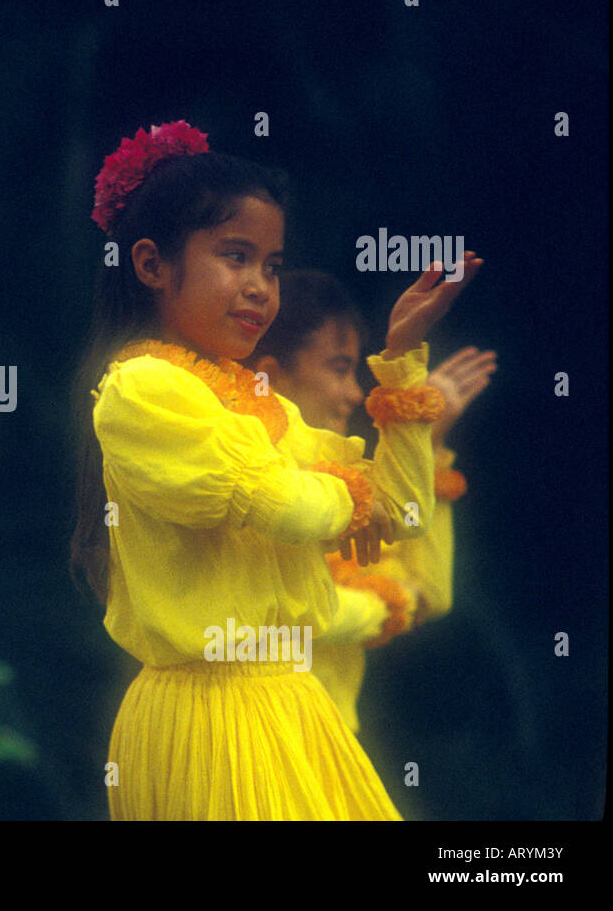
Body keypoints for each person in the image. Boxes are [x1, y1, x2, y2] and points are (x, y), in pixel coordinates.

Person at [70, 120, 478, 819]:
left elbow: (400, 512)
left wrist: (405, 361)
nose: (260, 285)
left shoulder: (268, 413)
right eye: (236, 256)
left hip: (292, 704)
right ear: (151, 264)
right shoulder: (140, 389)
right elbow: (274, 500)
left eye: (271, 265)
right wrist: (349, 499)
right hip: (209, 713)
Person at [250, 267, 494, 731]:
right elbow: (295, 621)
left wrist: (429, 442)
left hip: (327, 737)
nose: (354, 393)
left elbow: (432, 596)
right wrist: (391, 601)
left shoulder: (341, 483)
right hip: (259, 738)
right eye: (339, 368)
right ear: (270, 378)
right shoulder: (253, 479)